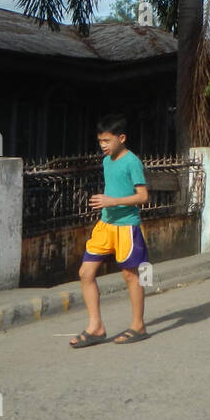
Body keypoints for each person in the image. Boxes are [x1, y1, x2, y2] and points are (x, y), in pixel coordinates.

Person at [70, 114, 150, 347]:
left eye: (107, 141)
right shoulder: (107, 161)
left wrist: (112, 202)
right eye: (100, 141)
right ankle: (95, 327)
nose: (103, 146)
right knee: (86, 273)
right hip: (105, 225)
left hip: (126, 226)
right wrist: (106, 205)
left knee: (130, 275)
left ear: (121, 138)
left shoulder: (132, 161)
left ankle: (138, 325)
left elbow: (143, 196)